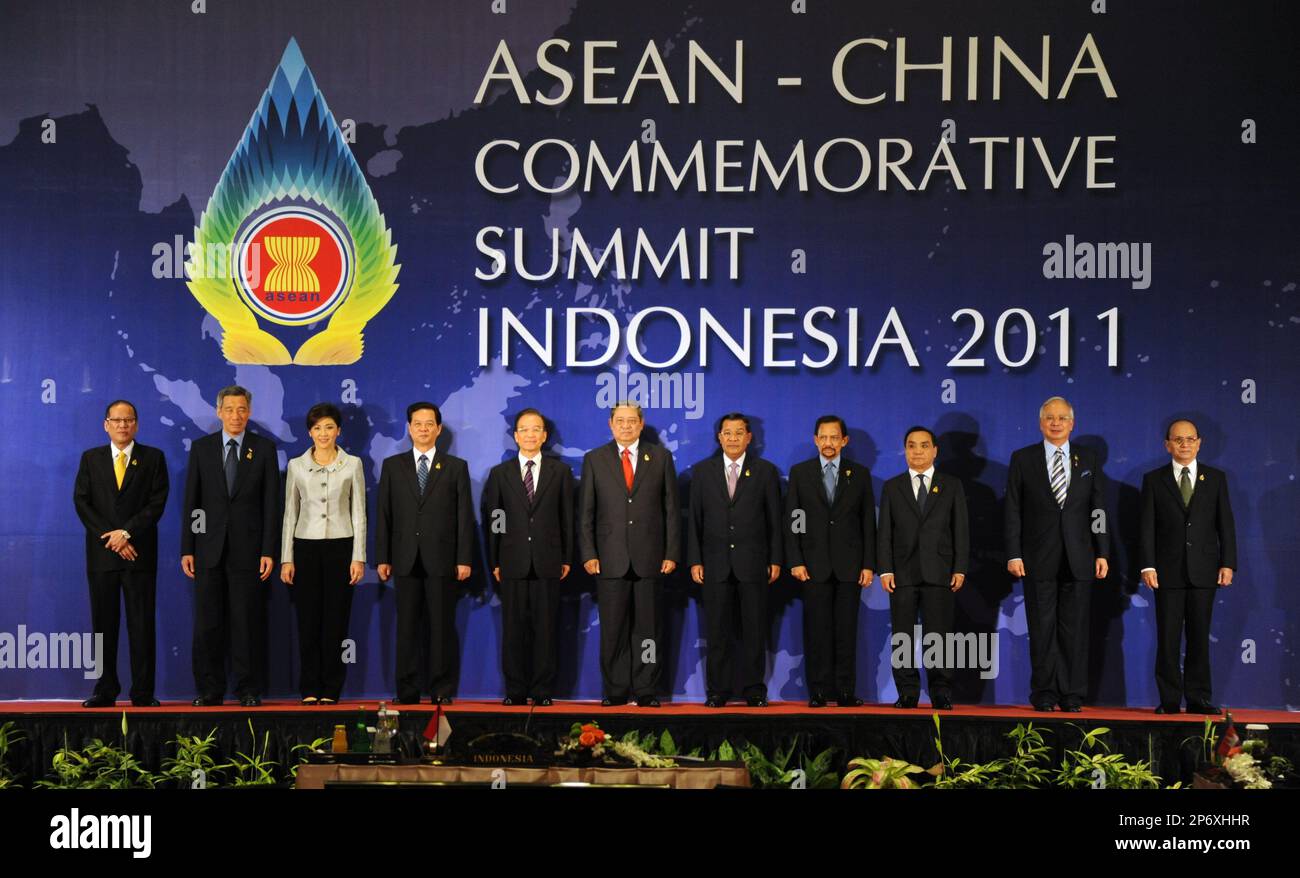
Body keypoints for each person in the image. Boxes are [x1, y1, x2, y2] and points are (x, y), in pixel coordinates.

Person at [1004, 396, 1109, 712]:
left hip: (1080, 558)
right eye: (1050, 417)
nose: (1056, 422)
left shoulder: (1088, 459)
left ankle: (1073, 693)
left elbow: (1098, 509)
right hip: (1037, 558)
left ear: (1072, 423)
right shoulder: (1023, 459)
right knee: (1042, 629)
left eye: (1062, 418)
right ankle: (1045, 693)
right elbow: (1012, 510)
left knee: (1075, 630)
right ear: (1040, 423)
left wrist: (1102, 551)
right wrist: (1013, 553)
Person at [181, 385, 281, 707]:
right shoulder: (202, 448)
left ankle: (247, 689)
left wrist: (268, 550)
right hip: (208, 550)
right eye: (229, 409)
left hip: (248, 552)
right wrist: (189, 547)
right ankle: (210, 689)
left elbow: (271, 505)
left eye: (241, 409)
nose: (235, 415)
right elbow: (193, 503)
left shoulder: (263, 449)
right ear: (218, 411)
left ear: (249, 412)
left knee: (245, 623)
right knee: (208, 624)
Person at [579, 402, 680, 707]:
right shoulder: (595, 459)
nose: (625, 426)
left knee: (648, 630)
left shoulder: (660, 457)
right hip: (609, 558)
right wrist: (588, 553)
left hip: (651, 557)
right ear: (610, 425)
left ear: (641, 424)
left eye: (631, 421)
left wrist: (671, 552)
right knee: (613, 630)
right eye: (620, 421)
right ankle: (616, 690)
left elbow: (672, 510)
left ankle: (647, 688)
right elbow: (586, 512)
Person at [375, 402, 474, 705]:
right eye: (417, 423)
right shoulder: (393, 466)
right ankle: (407, 691)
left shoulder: (456, 467)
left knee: (441, 628)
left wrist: (464, 558)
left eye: (429, 424)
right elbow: (384, 515)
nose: (423, 429)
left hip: (442, 559)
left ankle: (441, 690)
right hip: (404, 558)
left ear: (439, 429)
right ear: (409, 428)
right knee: (406, 629)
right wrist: (383, 556)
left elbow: (463, 516)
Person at [73, 400, 169, 708]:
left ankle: (142, 691)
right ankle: (104, 689)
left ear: (137, 425)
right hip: (103, 557)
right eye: (116, 420)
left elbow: (156, 503)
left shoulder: (153, 458)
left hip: (138, 554)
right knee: (104, 625)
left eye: (128, 420)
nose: (122, 425)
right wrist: (112, 538)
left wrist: (127, 533)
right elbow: (82, 503)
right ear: (106, 425)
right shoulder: (91, 459)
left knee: (141, 624)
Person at [1140, 418, 1237, 715]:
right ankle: (1169, 699)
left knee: (1199, 636)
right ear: (1167, 444)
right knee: (1168, 638)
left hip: (1205, 570)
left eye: (1190, 439)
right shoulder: (1154, 480)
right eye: (1178, 439)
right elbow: (1146, 527)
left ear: (1199, 443)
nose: (1185, 444)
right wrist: (1147, 565)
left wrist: (1228, 563)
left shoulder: (1216, 478)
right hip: (1166, 571)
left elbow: (1226, 524)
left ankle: (1198, 698)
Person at [687, 412, 782, 707]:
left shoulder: (765, 472)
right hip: (714, 564)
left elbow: (775, 521)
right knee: (717, 632)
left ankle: (754, 690)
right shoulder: (702, 472)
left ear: (749, 437)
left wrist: (776, 559)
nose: (732, 438)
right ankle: (717, 691)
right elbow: (694, 521)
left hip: (753, 564)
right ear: (719, 437)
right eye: (727, 433)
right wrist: (695, 560)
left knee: (754, 631)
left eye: (738, 433)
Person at [480, 408, 573, 706]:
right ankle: (516, 690)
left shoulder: (560, 472)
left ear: (544, 436)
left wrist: (567, 557)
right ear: (515, 436)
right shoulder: (499, 474)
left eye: (537, 430)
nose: (531, 435)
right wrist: (495, 560)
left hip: (548, 561)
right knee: (514, 630)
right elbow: (495, 519)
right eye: (525, 429)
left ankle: (543, 690)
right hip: (512, 562)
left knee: (546, 630)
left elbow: (567, 518)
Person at [784, 415, 876, 708]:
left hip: (850, 567)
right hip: (812, 567)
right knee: (817, 632)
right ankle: (819, 691)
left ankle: (846, 691)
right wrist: (796, 559)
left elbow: (867, 524)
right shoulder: (800, 473)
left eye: (834, 438)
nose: (828, 443)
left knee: (847, 632)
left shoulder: (859, 474)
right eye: (823, 437)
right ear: (815, 440)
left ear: (844, 441)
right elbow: (794, 520)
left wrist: (868, 564)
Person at [280, 403, 366, 705]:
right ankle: (310, 687)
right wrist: (286, 558)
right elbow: (290, 513)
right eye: (317, 428)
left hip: (341, 548)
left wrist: (359, 557)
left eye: (329, 427)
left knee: (336, 620)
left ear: (338, 430)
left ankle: (331, 688)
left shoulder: (353, 464)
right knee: (308, 620)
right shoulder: (296, 466)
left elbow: (359, 513)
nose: (323, 433)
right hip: (305, 547)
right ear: (309, 432)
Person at [877, 426, 968, 710]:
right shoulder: (892, 486)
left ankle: (941, 691)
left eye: (924, 445)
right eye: (912, 446)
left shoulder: (951, 485)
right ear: (904, 450)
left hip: (940, 570)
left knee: (938, 636)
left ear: (935, 450)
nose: (918, 451)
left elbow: (960, 529)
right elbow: (885, 533)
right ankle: (907, 692)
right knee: (903, 635)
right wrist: (886, 569)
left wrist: (960, 568)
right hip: (901, 573)